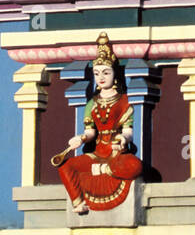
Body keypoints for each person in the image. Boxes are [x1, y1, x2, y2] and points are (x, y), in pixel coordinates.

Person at [57, 33, 143, 215]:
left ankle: (104, 169)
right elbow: (90, 133)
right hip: (97, 152)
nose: (101, 77)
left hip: (116, 153)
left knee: (135, 166)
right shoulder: (92, 103)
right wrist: (80, 138)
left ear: (114, 74)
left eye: (106, 73)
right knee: (66, 166)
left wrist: (122, 138)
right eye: (96, 74)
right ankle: (78, 202)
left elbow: (128, 131)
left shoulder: (124, 101)